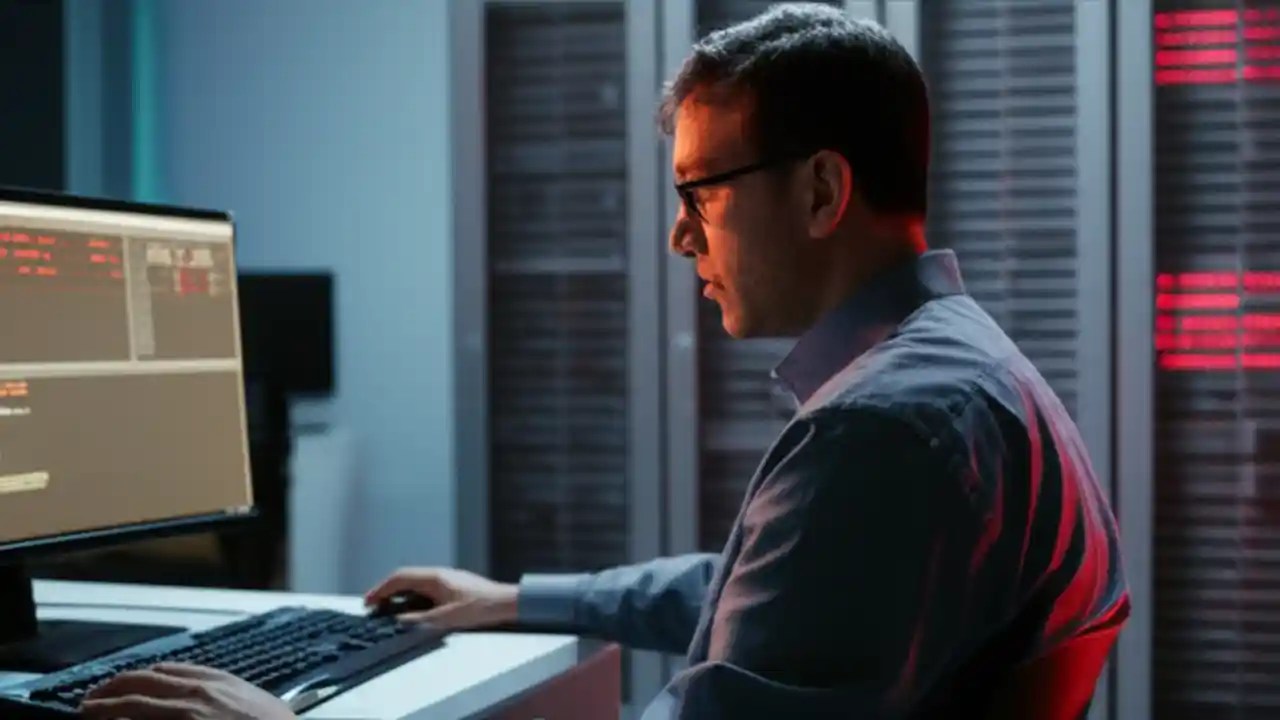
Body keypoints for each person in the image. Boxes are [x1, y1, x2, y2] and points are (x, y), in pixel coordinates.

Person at [81, 4, 1129, 719]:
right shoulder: (959, 373)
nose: (679, 238)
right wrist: (524, 597)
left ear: (820, 191)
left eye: (699, 194)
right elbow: (768, 590)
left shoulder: (880, 431)